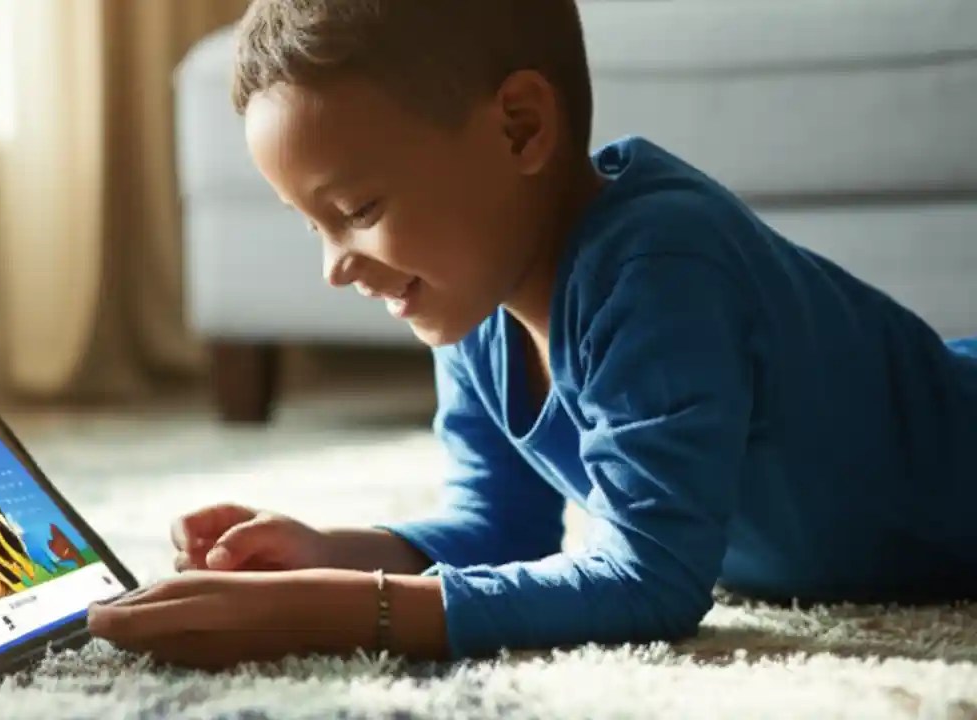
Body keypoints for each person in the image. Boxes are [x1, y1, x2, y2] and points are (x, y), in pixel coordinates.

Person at [86, 0, 977, 670]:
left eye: (357, 210)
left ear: (520, 127)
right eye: (312, 225)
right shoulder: (477, 302)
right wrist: (332, 554)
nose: (335, 266)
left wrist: (345, 610)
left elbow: (651, 582)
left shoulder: (661, 262)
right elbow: (500, 527)